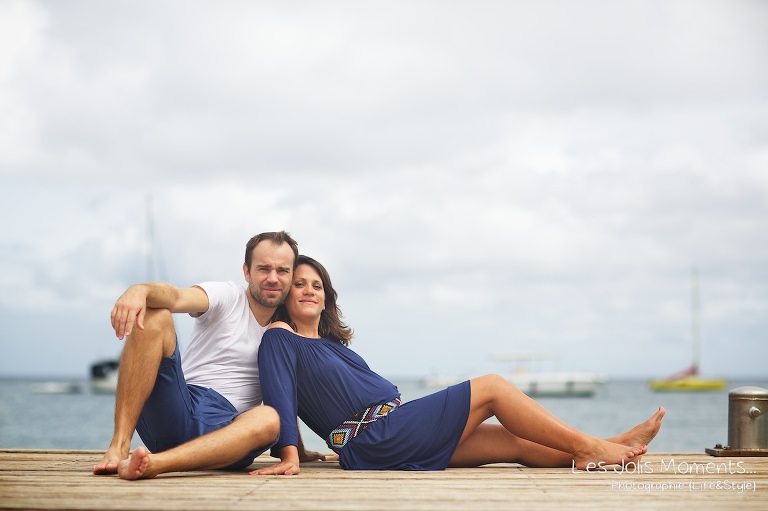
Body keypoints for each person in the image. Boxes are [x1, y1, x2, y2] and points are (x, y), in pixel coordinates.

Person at [254, 255, 665, 475]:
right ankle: (593, 447)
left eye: (317, 285)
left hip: (391, 432)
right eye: (300, 284)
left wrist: (305, 451)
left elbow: (304, 399)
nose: (308, 290)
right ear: (286, 295)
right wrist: (289, 454)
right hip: (379, 438)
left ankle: (607, 444)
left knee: (513, 443)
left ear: (327, 297)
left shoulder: (328, 344)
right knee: (493, 388)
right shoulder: (279, 338)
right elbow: (278, 398)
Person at [93, 231, 327, 480]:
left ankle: (155, 464)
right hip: (180, 406)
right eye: (263, 269)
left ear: (291, 277)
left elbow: (285, 391)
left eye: (282, 270)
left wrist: (297, 449)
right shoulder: (226, 296)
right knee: (156, 314)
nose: (272, 278)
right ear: (247, 272)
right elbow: (176, 296)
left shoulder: (286, 332)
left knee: (269, 418)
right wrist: (140, 290)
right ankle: (119, 447)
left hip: (229, 434)